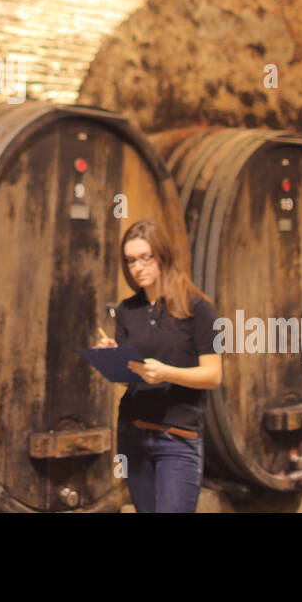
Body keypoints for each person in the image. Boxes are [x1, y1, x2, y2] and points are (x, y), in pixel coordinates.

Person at [95, 219, 221, 512]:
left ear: (162, 256)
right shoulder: (128, 310)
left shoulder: (197, 308)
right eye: (130, 261)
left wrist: (166, 373)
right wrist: (114, 359)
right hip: (133, 434)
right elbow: (131, 379)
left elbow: (213, 375)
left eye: (144, 258)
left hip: (177, 437)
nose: (137, 267)